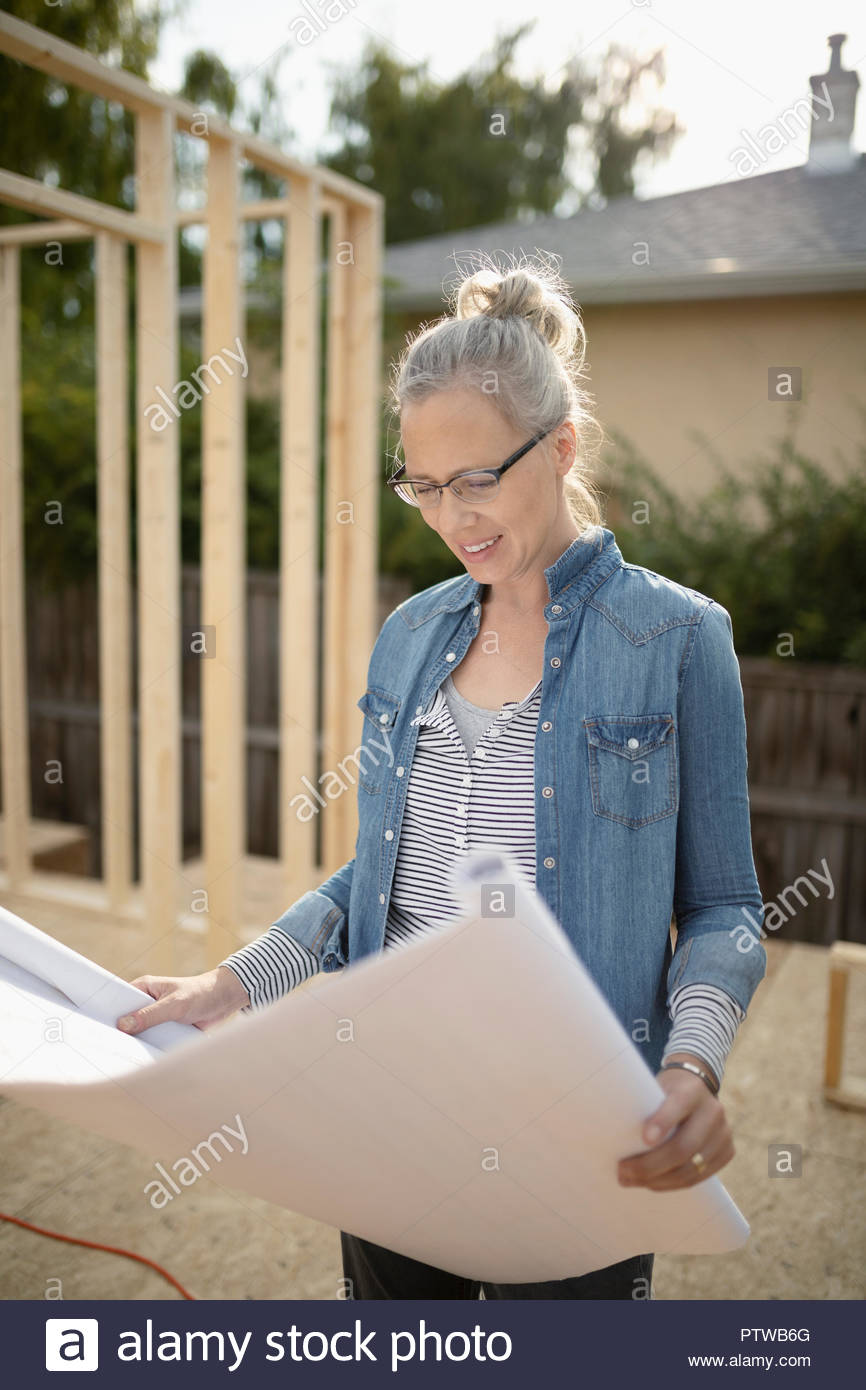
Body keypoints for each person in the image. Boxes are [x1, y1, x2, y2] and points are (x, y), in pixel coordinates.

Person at [116, 250, 767, 1300]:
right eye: (421, 484)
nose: (450, 516)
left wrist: (687, 1065)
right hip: (391, 1119)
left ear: (558, 448)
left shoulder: (676, 637)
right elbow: (366, 883)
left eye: (476, 479)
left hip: (580, 1137)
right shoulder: (410, 635)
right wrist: (230, 982)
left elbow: (727, 906)